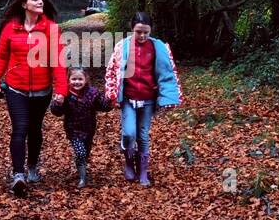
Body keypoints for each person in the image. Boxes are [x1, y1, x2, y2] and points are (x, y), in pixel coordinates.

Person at [0, 0, 68, 197]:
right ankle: (18, 175)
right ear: (25, 4)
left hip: (42, 91)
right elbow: (1, 57)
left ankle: (32, 166)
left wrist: (61, 89)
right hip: (16, 88)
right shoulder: (10, 28)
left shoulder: (51, 28)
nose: (40, 2)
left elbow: (58, 62)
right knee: (19, 129)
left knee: (35, 130)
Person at [103, 12, 183, 186]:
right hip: (128, 98)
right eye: (139, 31)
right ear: (132, 29)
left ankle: (143, 170)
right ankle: (128, 162)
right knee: (129, 133)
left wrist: (168, 97)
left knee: (143, 135)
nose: (142, 35)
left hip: (148, 98)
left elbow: (169, 72)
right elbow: (111, 70)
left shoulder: (159, 47)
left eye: (146, 32)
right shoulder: (121, 46)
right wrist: (112, 94)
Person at [50, 67, 113, 188]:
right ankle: (82, 179)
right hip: (73, 129)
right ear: (68, 80)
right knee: (80, 151)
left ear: (86, 79)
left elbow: (102, 105)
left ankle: (81, 165)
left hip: (89, 128)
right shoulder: (66, 94)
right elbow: (57, 112)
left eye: (80, 79)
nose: (77, 82)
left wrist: (110, 102)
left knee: (85, 151)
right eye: (74, 79)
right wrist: (58, 103)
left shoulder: (92, 93)